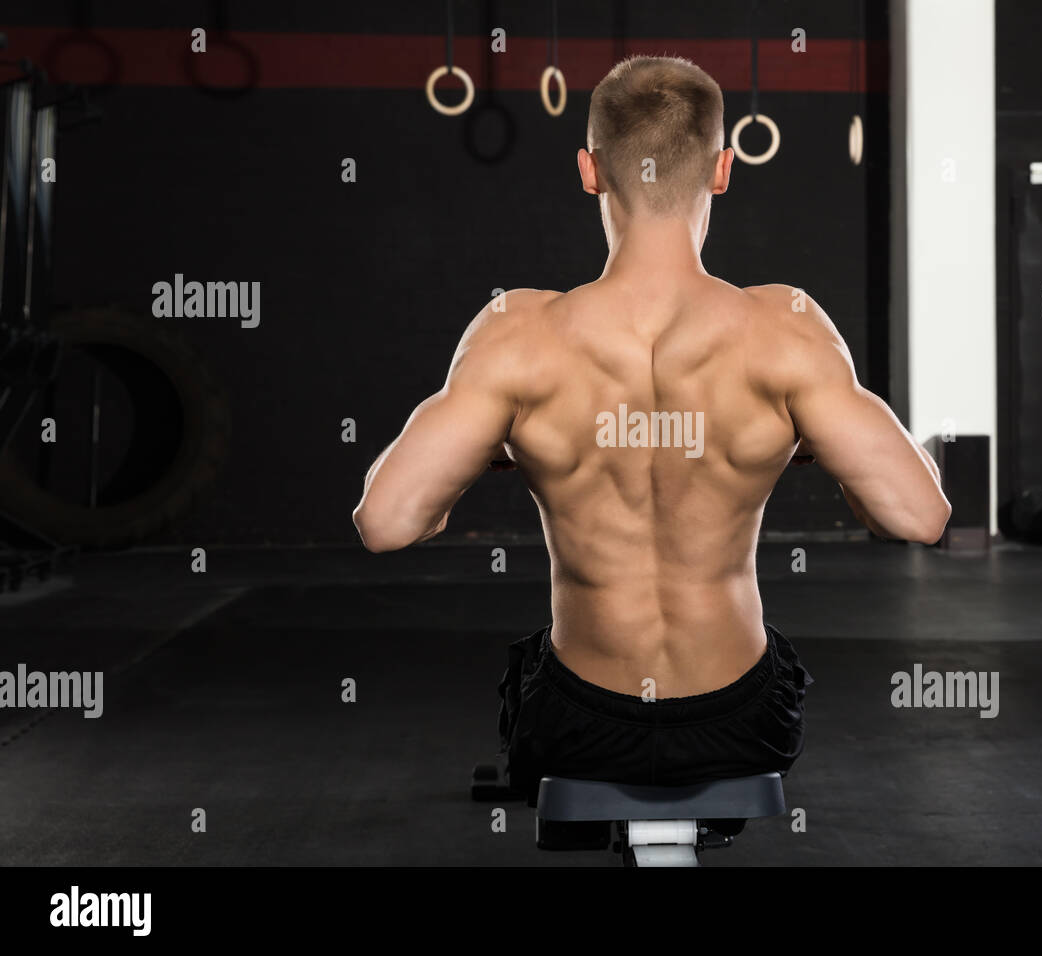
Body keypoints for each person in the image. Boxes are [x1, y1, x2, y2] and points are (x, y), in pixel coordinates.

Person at [352, 56, 950, 804]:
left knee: (533, 671)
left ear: (588, 170)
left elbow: (385, 523)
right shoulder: (784, 331)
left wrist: (481, 461)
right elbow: (921, 517)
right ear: (724, 168)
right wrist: (806, 444)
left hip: (578, 721)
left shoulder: (518, 337)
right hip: (738, 721)